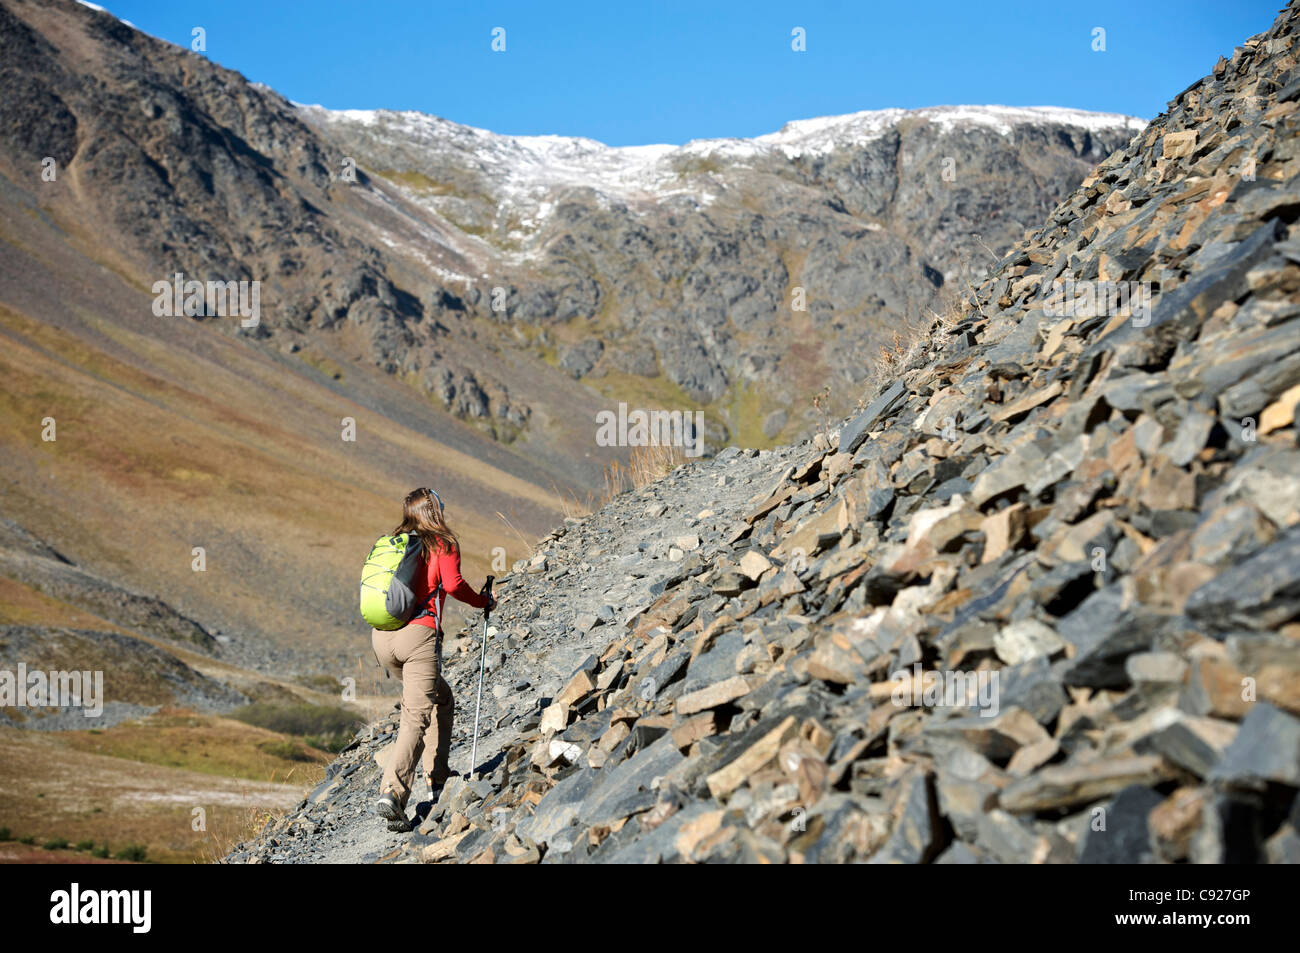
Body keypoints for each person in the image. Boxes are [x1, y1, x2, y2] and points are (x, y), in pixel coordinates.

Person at [372, 487, 495, 831]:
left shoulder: (396, 541)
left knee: (441, 697)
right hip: (418, 637)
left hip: (383, 639)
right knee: (415, 717)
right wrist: (484, 603)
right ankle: (392, 794)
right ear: (434, 511)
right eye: (440, 505)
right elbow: (453, 584)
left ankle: (438, 777)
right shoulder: (442, 542)